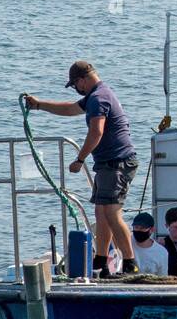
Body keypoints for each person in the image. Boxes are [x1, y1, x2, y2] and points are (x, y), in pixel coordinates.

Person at [24, 60, 138, 278]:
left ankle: (131, 263)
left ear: (82, 80)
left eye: (75, 85)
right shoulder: (96, 95)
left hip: (118, 163)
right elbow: (70, 108)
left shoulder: (98, 98)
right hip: (108, 164)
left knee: (112, 212)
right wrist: (39, 105)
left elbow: (97, 131)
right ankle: (101, 261)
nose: (76, 89)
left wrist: (80, 159)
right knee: (101, 211)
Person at [130, 212, 171, 277]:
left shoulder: (162, 252)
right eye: (136, 227)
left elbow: (162, 277)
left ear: (152, 230)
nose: (138, 230)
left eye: (142, 228)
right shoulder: (125, 243)